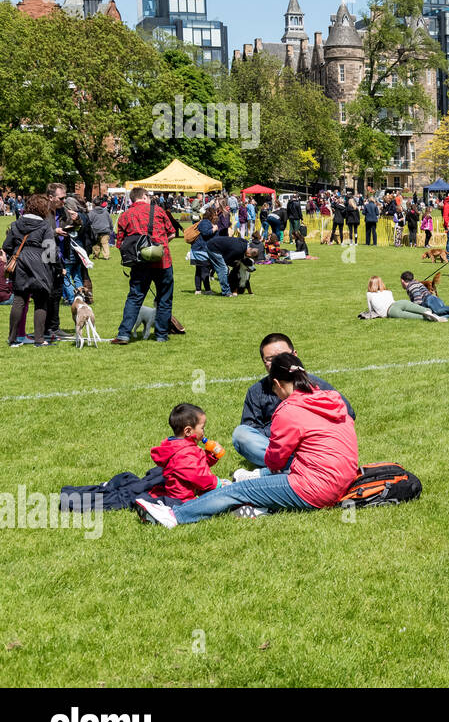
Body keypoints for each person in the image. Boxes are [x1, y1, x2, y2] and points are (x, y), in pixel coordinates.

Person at [137, 353, 362, 527]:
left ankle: (174, 516)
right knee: (263, 482)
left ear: (277, 383)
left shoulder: (289, 409)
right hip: (345, 479)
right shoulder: (332, 398)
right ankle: (260, 505)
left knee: (238, 490)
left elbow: (275, 462)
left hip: (316, 488)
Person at [233, 333, 353, 467]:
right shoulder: (256, 391)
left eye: (283, 356)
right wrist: (281, 434)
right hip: (277, 447)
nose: (277, 363)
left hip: (312, 447)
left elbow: (348, 413)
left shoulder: (315, 384)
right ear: (263, 362)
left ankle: (286, 468)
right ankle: (293, 466)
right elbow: (250, 428)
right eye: (270, 359)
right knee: (241, 435)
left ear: (294, 355)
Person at [111, 188, 176, 344]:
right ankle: (161, 335)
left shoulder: (125, 215)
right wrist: (159, 246)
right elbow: (172, 233)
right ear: (145, 196)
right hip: (162, 261)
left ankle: (124, 334)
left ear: (133, 199)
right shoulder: (158, 211)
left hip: (139, 263)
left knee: (134, 298)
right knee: (164, 298)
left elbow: (120, 244)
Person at [4, 193, 56, 346]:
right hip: (40, 263)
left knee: (19, 301)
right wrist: (53, 269)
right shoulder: (45, 226)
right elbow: (50, 251)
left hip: (19, 262)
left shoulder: (16, 224)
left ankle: (12, 339)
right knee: (40, 301)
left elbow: (6, 246)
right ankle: (39, 340)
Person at [147, 403, 223, 504]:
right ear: (188, 431)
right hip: (184, 499)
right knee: (222, 498)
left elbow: (198, 464)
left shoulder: (185, 447)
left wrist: (211, 456)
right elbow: (198, 476)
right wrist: (216, 483)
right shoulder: (183, 454)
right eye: (202, 428)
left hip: (193, 491)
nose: (204, 431)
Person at [367, 275, 446, 320]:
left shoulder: (369, 294)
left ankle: (432, 318)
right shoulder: (388, 291)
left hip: (391, 311)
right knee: (423, 310)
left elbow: (371, 310)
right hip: (399, 303)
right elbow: (392, 301)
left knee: (417, 317)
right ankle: (431, 312)